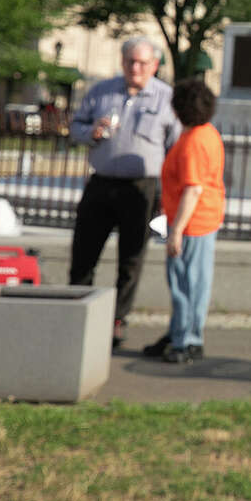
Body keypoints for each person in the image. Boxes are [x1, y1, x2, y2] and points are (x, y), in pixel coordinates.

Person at [68, 37, 181, 348]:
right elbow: (75, 127)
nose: (136, 68)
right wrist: (90, 133)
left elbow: (174, 149)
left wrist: (167, 197)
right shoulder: (101, 92)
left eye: (143, 63)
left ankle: (118, 319)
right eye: (131, 61)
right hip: (101, 182)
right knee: (84, 252)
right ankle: (77, 310)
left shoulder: (166, 98)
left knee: (132, 257)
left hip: (142, 188)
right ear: (122, 62)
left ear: (155, 66)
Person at [141, 80, 225, 364]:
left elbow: (193, 188)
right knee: (192, 283)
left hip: (191, 223)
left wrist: (175, 231)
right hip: (199, 220)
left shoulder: (192, 143)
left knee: (185, 285)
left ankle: (186, 341)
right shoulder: (206, 134)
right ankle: (180, 333)